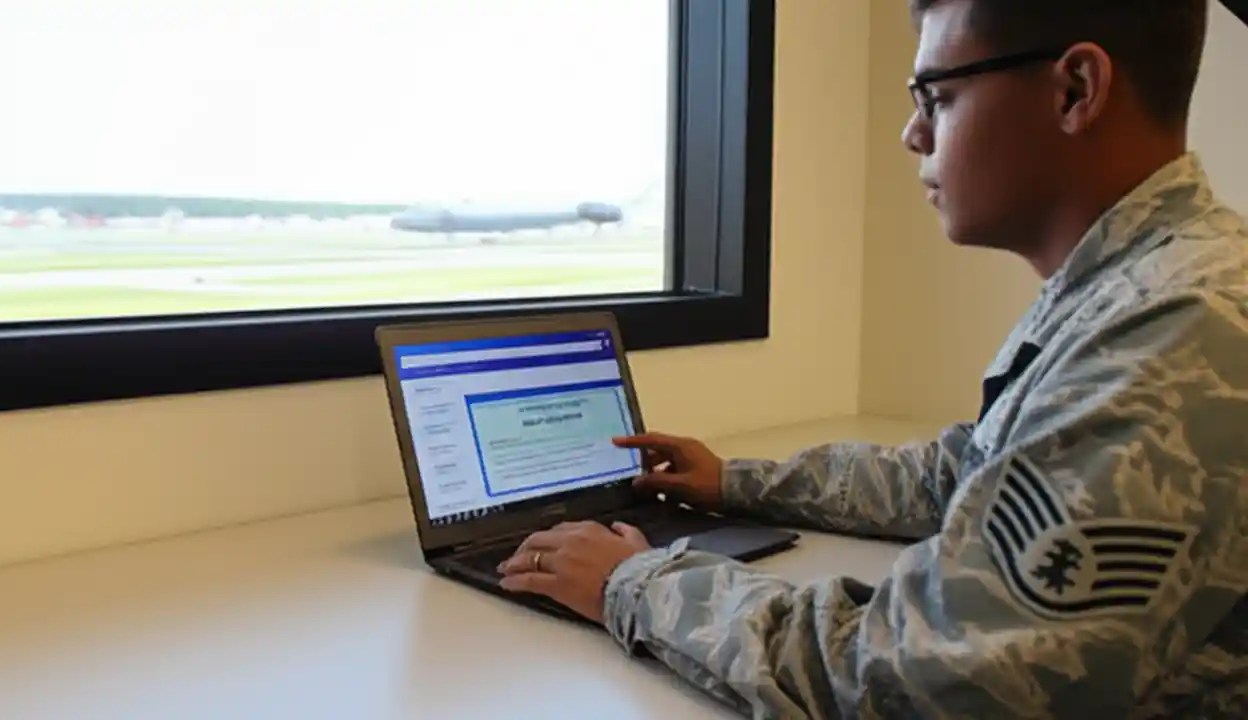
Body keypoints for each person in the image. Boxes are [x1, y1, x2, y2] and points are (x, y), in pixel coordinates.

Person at [499, 0, 1248, 716]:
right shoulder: (1145, 287)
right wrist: (735, 482)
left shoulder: (1174, 336)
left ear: (1075, 89)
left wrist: (632, 583)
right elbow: (959, 476)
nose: (912, 134)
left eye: (937, 95)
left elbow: (919, 679)